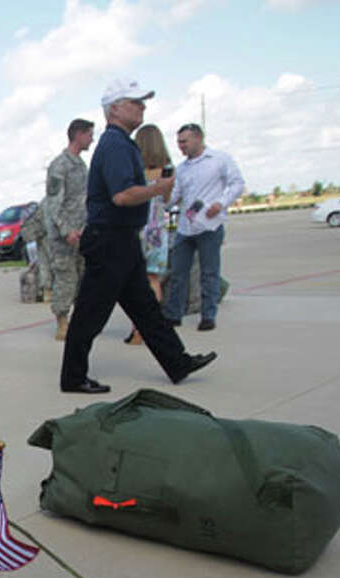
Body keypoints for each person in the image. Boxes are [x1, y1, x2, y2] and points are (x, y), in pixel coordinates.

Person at [59, 79, 217, 394]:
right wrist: (159, 188)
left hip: (121, 240)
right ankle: (73, 377)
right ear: (115, 109)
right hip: (110, 240)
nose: (142, 107)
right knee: (91, 313)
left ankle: (177, 362)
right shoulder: (116, 144)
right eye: (136, 102)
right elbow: (121, 196)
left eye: (143, 102)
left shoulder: (121, 143)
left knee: (145, 308)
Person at [164, 123, 245, 330]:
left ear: (198, 138)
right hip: (185, 227)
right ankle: (174, 313)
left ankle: (208, 315)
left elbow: (237, 183)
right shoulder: (181, 169)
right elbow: (175, 196)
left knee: (209, 273)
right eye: (179, 142)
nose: (181, 146)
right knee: (178, 273)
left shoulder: (219, 160)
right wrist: (161, 197)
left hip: (210, 226)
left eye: (184, 141)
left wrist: (221, 204)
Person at [43, 119, 93, 341]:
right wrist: (66, 230)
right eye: (89, 134)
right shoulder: (60, 165)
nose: (92, 138)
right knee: (65, 278)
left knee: (82, 279)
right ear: (78, 135)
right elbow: (53, 202)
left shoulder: (81, 165)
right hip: (64, 236)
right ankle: (62, 321)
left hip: (82, 232)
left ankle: (79, 321)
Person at [125, 124, 173, 346]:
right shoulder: (168, 171)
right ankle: (150, 328)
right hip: (158, 231)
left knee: (135, 283)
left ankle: (137, 329)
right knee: (154, 280)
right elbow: (170, 201)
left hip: (137, 230)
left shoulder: (134, 171)